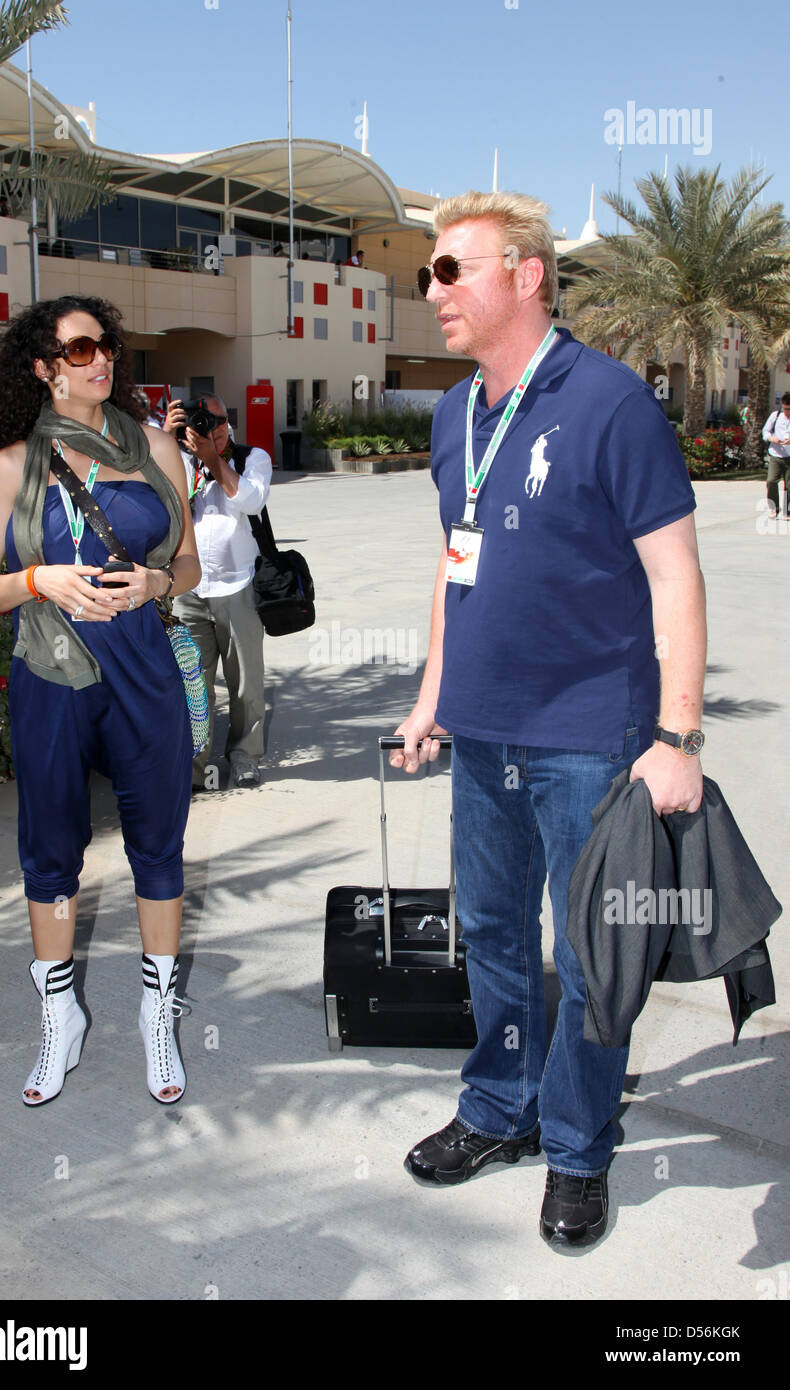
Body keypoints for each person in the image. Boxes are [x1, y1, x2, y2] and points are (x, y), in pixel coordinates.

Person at [392, 191, 706, 1248]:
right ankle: (496, 1109)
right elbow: (454, 558)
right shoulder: (452, 413)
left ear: (523, 275)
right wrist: (433, 694)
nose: (429, 288)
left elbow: (673, 575)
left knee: (586, 952)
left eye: (449, 270)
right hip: (480, 737)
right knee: (488, 932)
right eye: (428, 271)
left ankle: (575, 1146)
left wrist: (675, 735)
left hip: (587, 739)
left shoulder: (610, 402)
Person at [0, 294, 201, 1107]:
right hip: (52, 679)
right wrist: (40, 578)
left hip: (144, 673)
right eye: (78, 350)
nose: (100, 361)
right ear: (42, 367)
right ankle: (60, 1020)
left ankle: (156, 1017)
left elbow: (193, 563)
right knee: (51, 851)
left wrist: (158, 580)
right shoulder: (10, 467)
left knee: (158, 846)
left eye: (105, 348)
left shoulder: (160, 451)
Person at [163, 395, 271, 789]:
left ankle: (244, 757)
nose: (215, 426)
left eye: (221, 419)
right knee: (194, 683)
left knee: (246, 682)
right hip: (188, 590)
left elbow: (252, 500)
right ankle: (194, 768)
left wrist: (212, 460)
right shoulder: (176, 458)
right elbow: (152, 496)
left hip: (238, 585)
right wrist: (163, 438)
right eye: (203, 420)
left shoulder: (251, 458)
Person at [762, 392, 790, 519]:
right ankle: (774, 508)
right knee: (771, 481)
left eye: (789, 409)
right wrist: (771, 438)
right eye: (785, 408)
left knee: (789, 485)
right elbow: (765, 431)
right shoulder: (776, 415)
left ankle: (787, 511)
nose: (786, 411)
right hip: (776, 454)